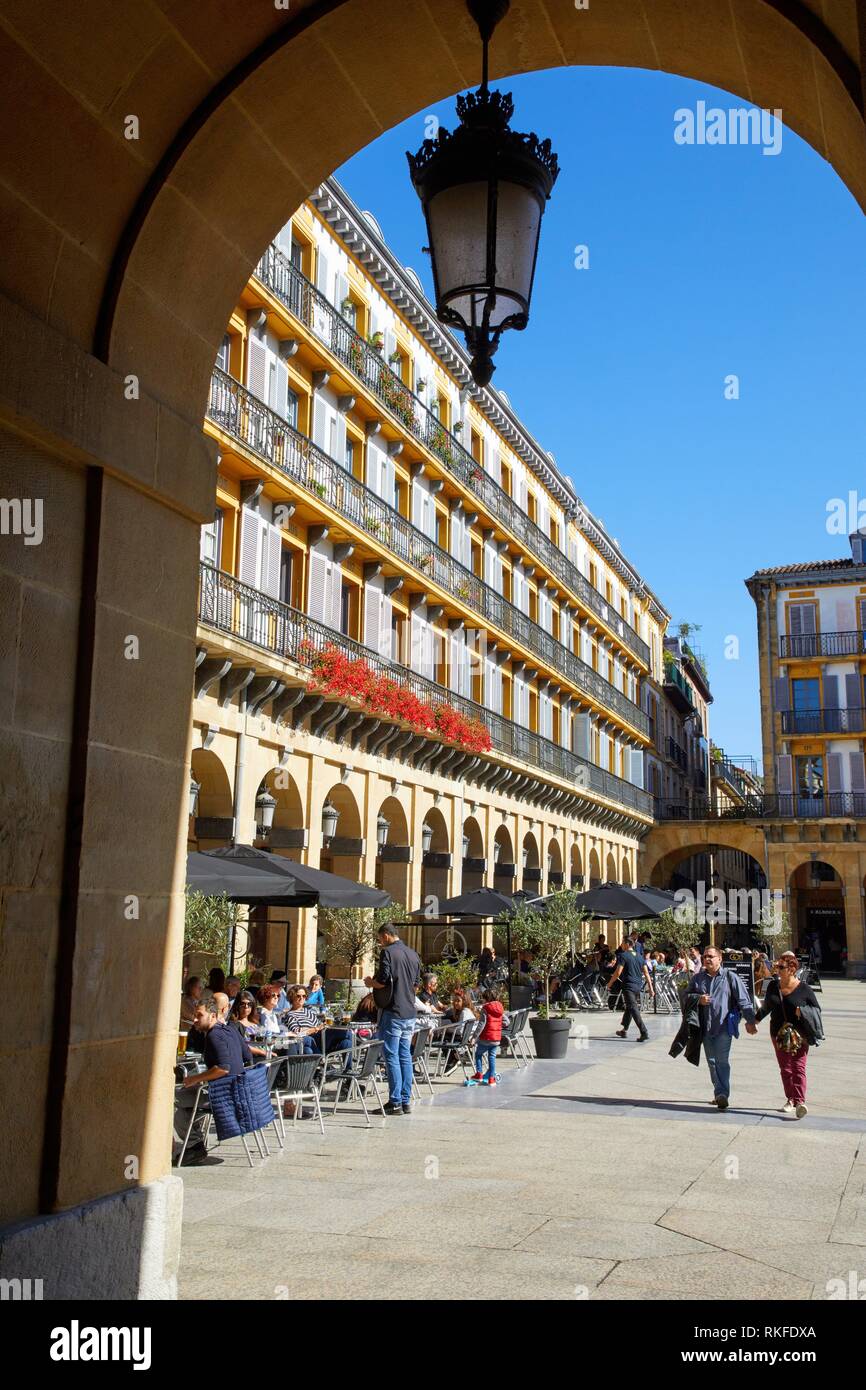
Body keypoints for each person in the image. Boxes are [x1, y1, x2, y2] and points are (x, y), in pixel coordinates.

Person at [752, 951, 822, 1119]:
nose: (777, 969)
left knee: (798, 1067)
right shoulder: (773, 987)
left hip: (800, 1034)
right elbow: (767, 1007)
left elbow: (817, 1010)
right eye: (776, 966)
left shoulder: (804, 989)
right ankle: (790, 1099)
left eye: (781, 967)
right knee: (785, 1068)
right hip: (778, 1033)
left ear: (792, 969)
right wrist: (754, 1021)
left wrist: (803, 1011)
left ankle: (799, 1101)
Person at [686, 946, 757, 1110]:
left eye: (711, 956)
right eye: (705, 957)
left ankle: (722, 1094)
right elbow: (686, 996)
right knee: (712, 1062)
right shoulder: (698, 979)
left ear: (720, 959)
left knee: (721, 1061)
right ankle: (718, 1092)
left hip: (723, 1027)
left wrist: (750, 1021)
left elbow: (744, 1001)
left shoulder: (730, 977)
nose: (707, 959)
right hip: (704, 1028)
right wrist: (698, 999)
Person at [364, 924, 422, 1116]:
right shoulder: (413, 954)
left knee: (391, 1056)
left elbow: (383, 979)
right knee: (405, 1055)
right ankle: (405, 1101)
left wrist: (371, 983)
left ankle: (395, 1101)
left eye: (380, 939)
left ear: (387, 936)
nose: (380, 942)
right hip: (409, 1013)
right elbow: (416, 984)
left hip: (393, 1012)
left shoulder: (388, 953)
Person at [607, 938, 653, 1041]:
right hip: (637, 986)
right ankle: (624, 1030)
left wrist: (609, 983)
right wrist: (651, 987)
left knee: (633, 1008)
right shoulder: (640, 957)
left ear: (627, 944)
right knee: (629, 1007)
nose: (621, 945)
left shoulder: (623, 956)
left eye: (622, 943)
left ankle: (644, 1031)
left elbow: (618, 972)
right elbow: (646, 973)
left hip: (628, 986)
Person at [467, 987, 504, 1086]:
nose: (482, 1000)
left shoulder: (486, 1008)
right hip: (496, 1038)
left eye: (483, 998)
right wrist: (499, 1025)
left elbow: (481, 1024)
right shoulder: (500, 1007)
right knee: (492, 1057)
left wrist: (474, 1037)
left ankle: (479, 1074)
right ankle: (491, 1079)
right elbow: (506, 1021)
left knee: (478, 1054)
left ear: (487, 998)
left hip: (486, 1037)